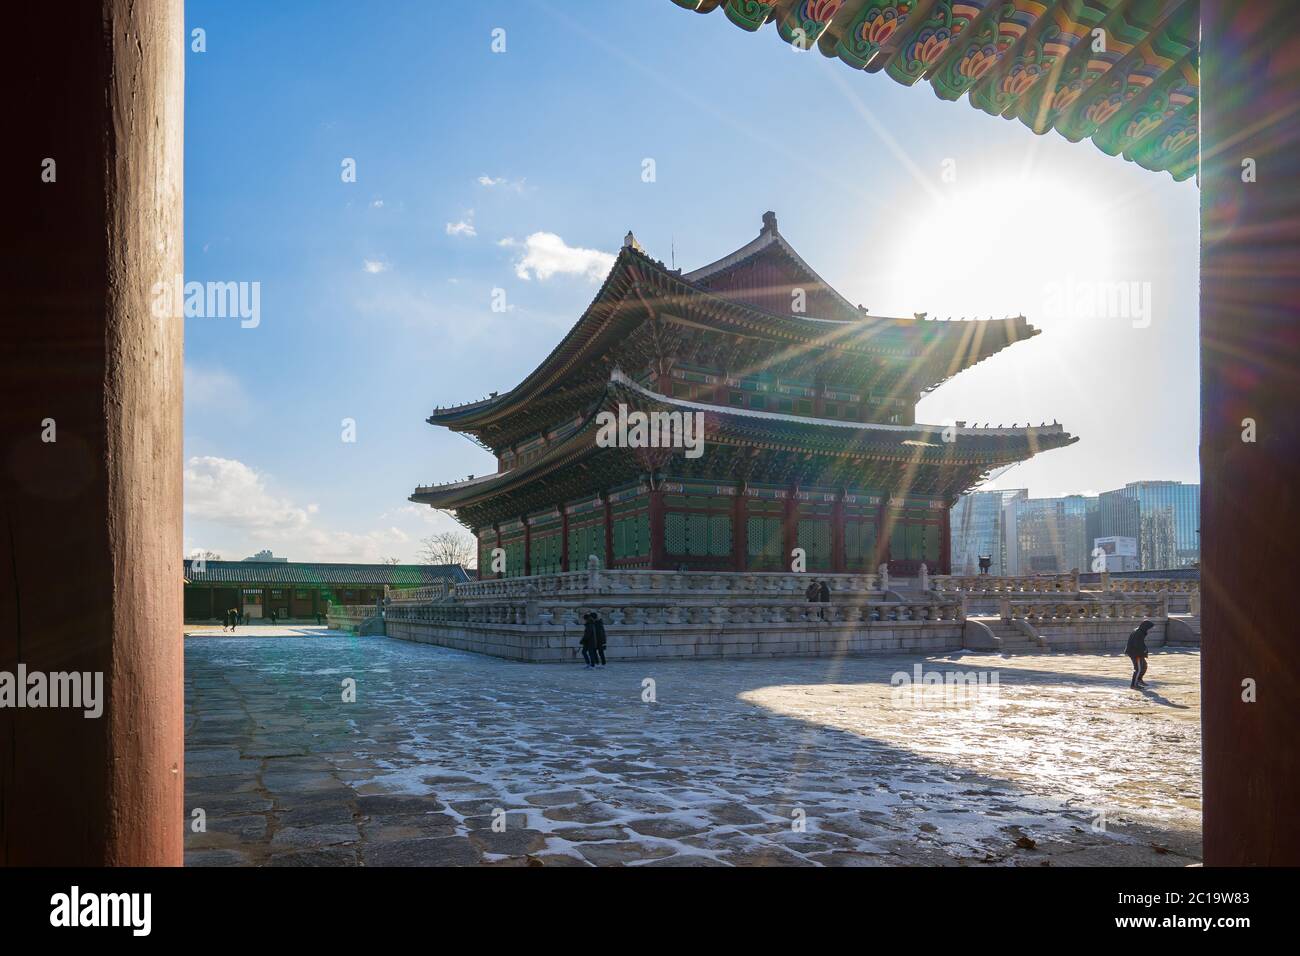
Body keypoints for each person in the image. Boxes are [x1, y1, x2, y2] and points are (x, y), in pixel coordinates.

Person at [1125, 619, 1153, 689]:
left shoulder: (1141, 631)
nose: (1150, 630)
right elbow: (1137, 644)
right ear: (1146, 627)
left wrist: (1144, 650)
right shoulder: (1138, 633)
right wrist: (1143, 651)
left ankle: (1139, 680)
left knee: (1144, 666)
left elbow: (1140, 644)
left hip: (1138, 652)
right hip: (1135, 653)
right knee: (1138, 669)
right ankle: (1133, 685)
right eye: (1149, 628)